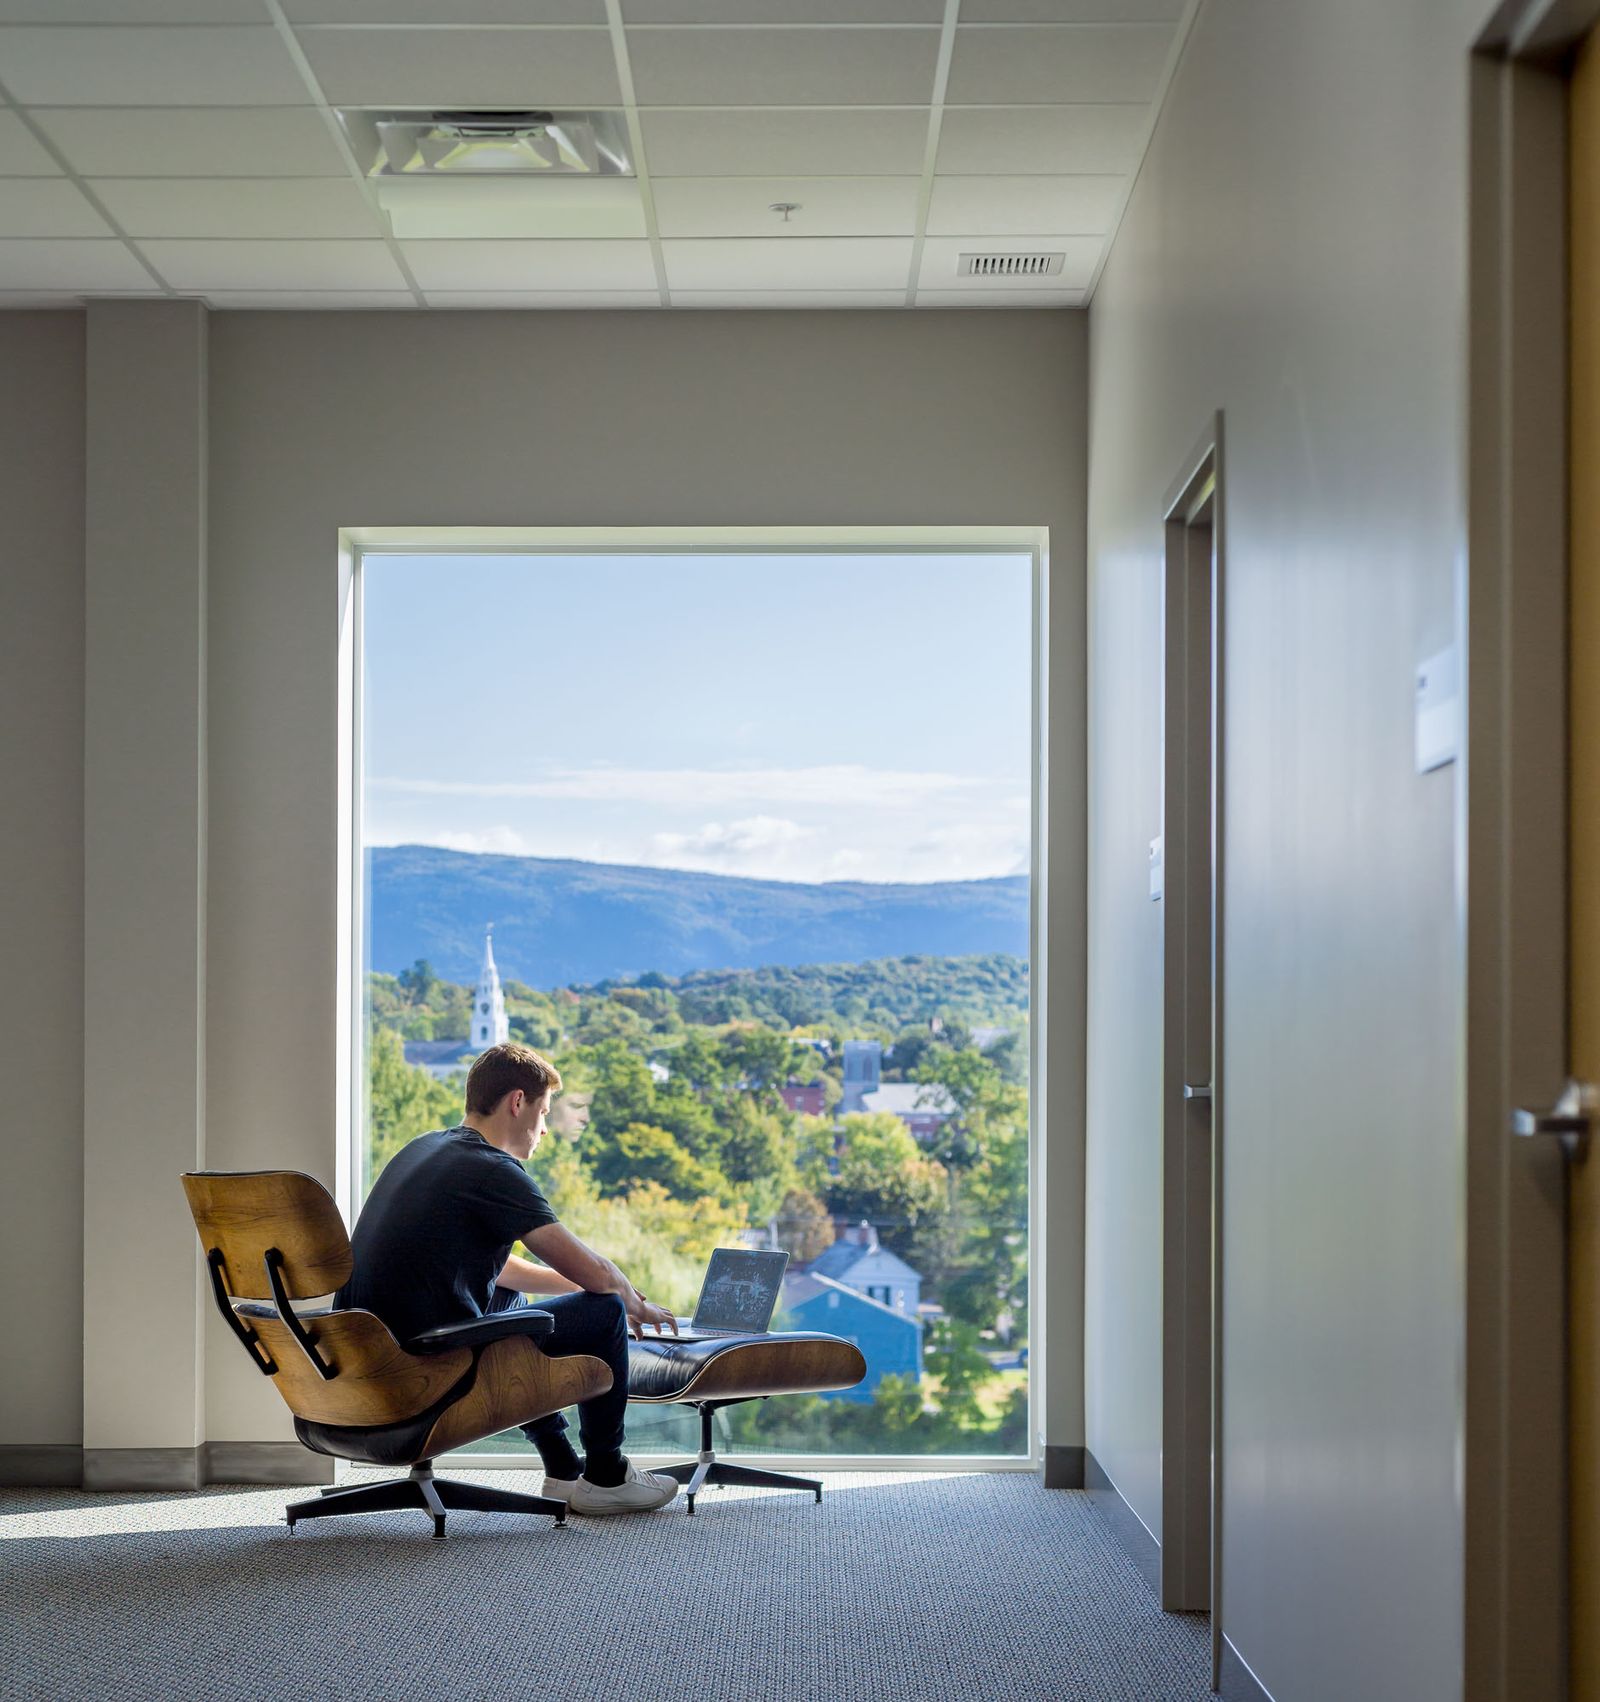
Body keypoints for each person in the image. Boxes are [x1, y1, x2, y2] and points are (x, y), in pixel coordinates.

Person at [337, 1040, 682, 1515]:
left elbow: (503, 1270)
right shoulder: (492, 1169)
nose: (544, 1129)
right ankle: (607, 1475)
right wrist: (631, 1302)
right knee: (605, 1312)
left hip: (368, 1357)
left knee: (507, 1297)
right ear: (517, 1102)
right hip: (426, 1366)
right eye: (543, 1113)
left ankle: (562, 1469)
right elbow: (595, 1272)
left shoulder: (427, 1148)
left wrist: (585, 1285)